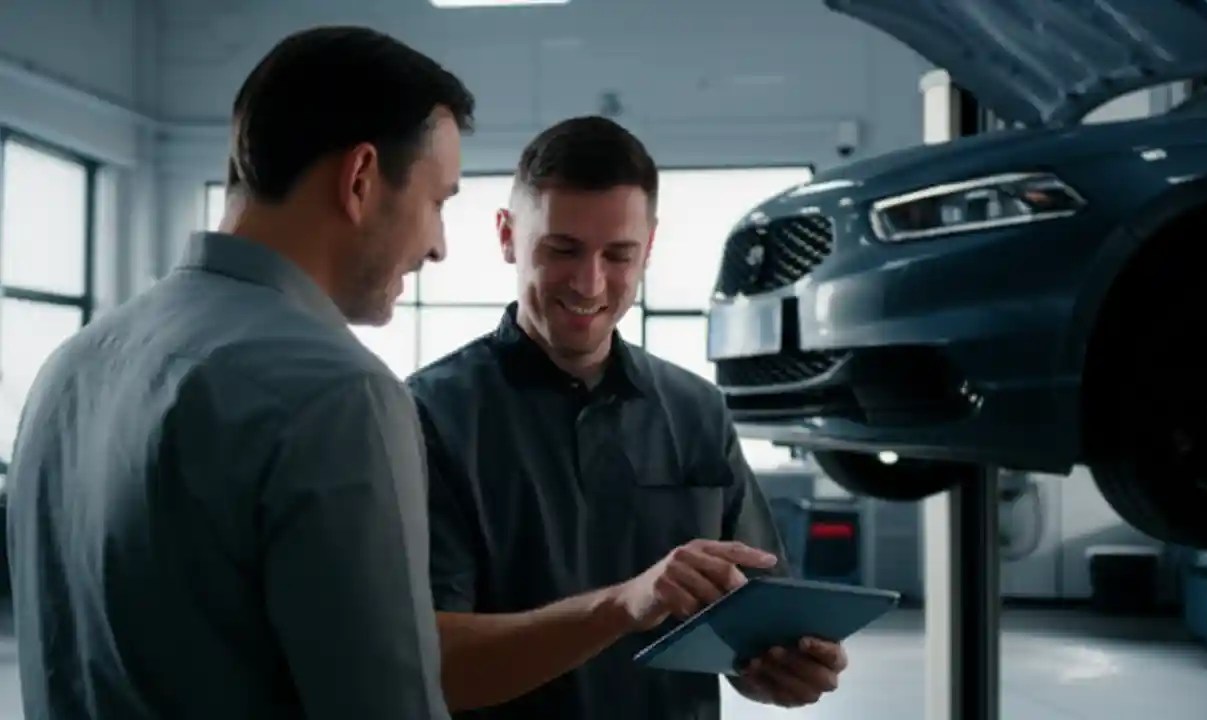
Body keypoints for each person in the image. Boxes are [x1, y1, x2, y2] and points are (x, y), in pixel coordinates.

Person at [6, 26, 472, 719]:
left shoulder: (73, 365)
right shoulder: (340, 394)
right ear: (361, 179)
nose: (438, 246)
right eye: (438, 202)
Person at [406, 116, 849, 720]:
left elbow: (755, 628)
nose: (590, 283)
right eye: (562, 249)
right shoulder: (429, 415)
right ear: (507, 236)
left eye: (619, 254)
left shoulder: (696, 410)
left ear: (650, 248)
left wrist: (782, 669)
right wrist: (622, 605)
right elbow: (435, 666)